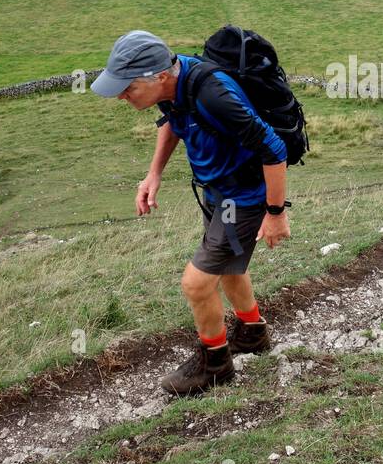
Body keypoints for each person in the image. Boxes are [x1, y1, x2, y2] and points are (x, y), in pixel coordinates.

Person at [91, 30, 290, 396]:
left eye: (128, 88)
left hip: (241, 198)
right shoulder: (172, 85)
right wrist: (154, 174)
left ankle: (215, 364)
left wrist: (275, 212)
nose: (121, 95)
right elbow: (172, 121)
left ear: (160, 77)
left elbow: (274, 149)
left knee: (196, 284)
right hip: (216, 192)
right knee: (228, 269)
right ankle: (252, 333)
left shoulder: (214, 95)